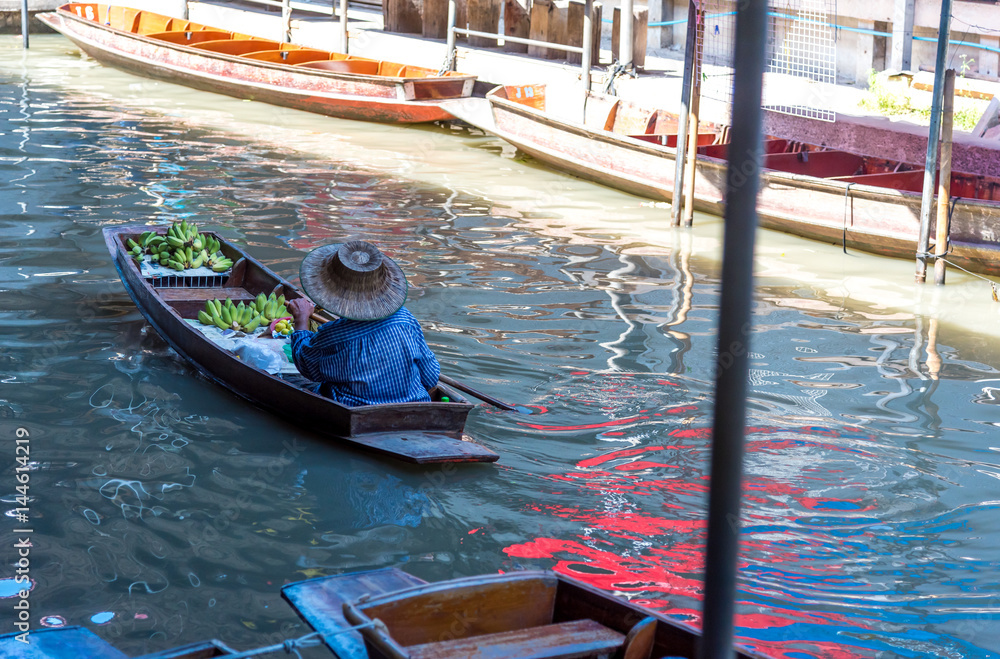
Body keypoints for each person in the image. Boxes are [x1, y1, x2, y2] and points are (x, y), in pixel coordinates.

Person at [286, 240, 441, 406]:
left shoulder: (333, 334)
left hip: (355, 410)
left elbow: (307, 367)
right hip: (414, 406)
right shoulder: (405, 319)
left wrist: (301, 321)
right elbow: (430, 377)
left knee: (292, 381)